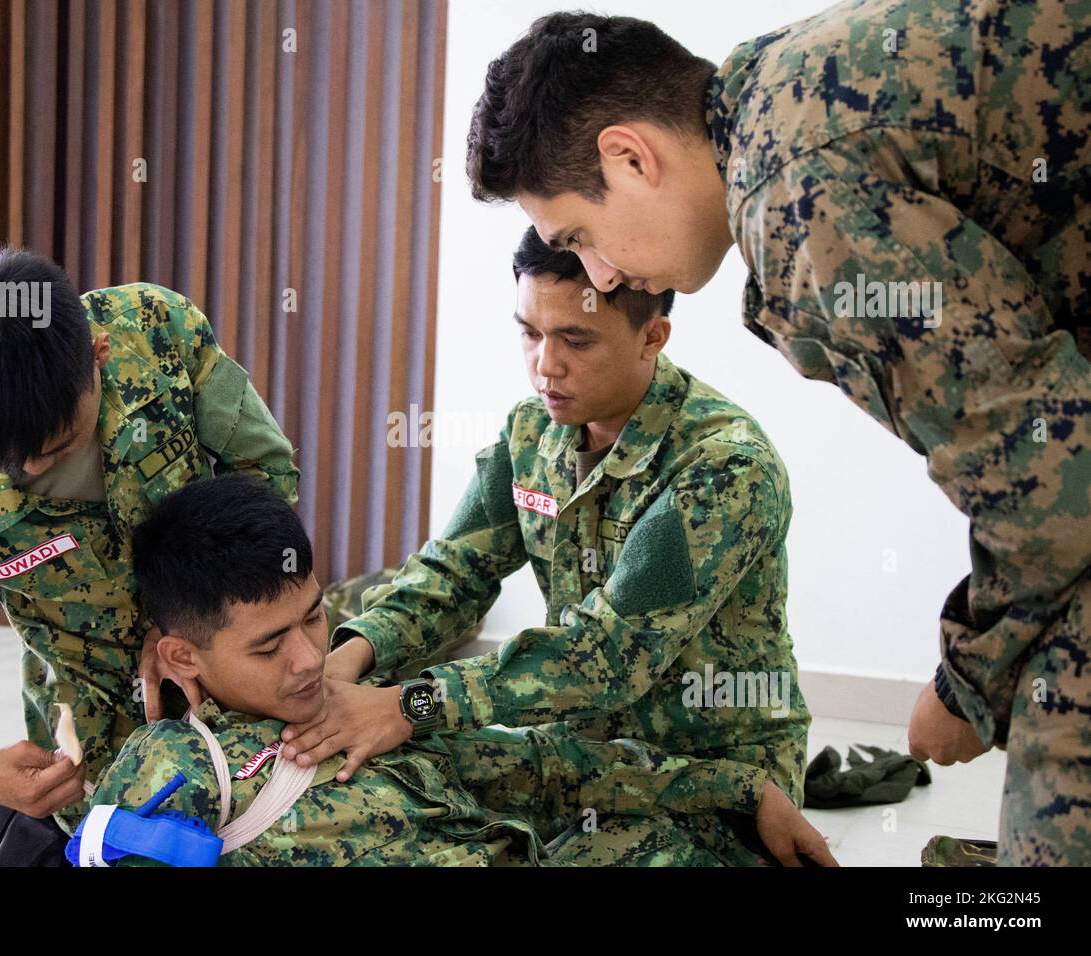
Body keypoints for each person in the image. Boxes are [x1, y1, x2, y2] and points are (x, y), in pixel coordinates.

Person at [463, 2, 1090, 865]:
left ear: (630, 156)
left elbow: (1054, 476)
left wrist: (968, 684)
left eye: (580, 237)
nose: (597, 274)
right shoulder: (777, 93)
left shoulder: (798, 194)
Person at [282, 227, 813, 865]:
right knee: (373, 786)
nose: (545, 365)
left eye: (575, 339)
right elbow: (453, 575)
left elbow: (607, 659)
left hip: (709, 778)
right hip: (579, 757)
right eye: (530, 333)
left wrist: (411, 702)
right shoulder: (531, 432)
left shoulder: (723, 467)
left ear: (652, 337)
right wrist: (349, 658)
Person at [85, 472, 835, 866]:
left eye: (314, 616)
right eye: (268, 645)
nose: (312, 658)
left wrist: (744, 790)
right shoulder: (184, 766)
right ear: (183, 655)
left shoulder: (365, 718)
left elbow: (546, 767)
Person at [0, 248, 298, 846]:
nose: (28, 467)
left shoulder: (156, 335)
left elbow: (264, 473)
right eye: (2, 459)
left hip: (233, 659)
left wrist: (185, 620)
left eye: (53, 446)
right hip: (92, 729)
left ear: (97, 355)